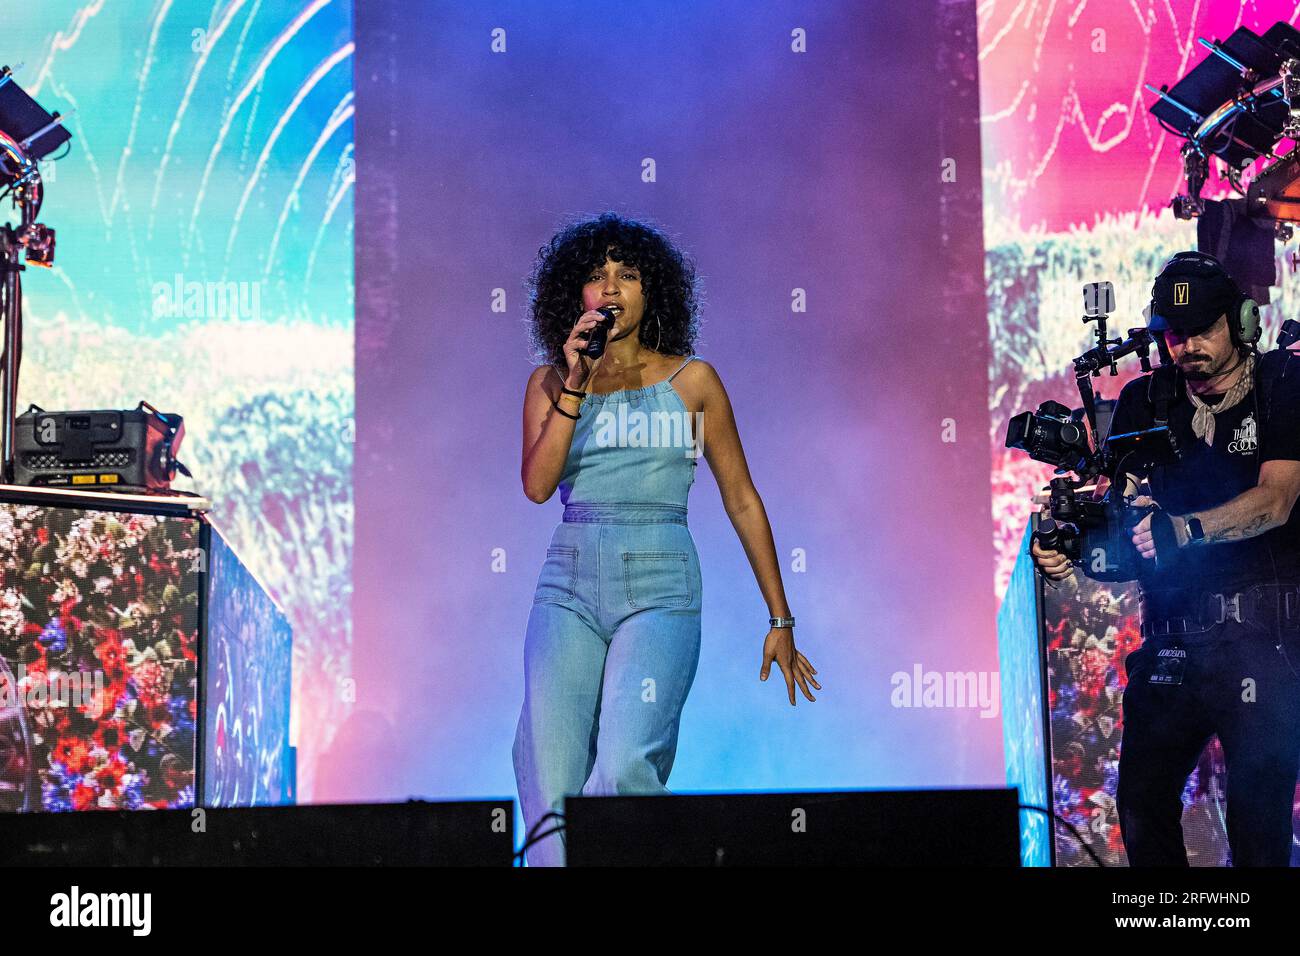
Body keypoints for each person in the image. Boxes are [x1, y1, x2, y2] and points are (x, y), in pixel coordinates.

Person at [513, 212, 819, 866]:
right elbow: (538, 487)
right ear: (577, 296)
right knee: (549, 784)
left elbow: (741, 497)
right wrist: (575, 381)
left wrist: (780, 616)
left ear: (654, 291)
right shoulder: (548, 382)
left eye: (629, 274)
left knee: (625, 767)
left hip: (660, 584)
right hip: (568, 581)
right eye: (598, 276)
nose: (614, 286)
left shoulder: (693, 382)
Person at [1031, 251, 1300, 866]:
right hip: (1172, 642)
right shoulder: (1142, 402)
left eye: (1204, 329)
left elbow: (1278, 499)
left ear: (1242, 321)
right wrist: (1073, 552)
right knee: (1142, 805)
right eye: (1175, 335)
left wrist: (1185, 530)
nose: (1189, 347)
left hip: (1265, 640)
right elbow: (1133, 539)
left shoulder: (1284, 382)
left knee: (1258, 825)